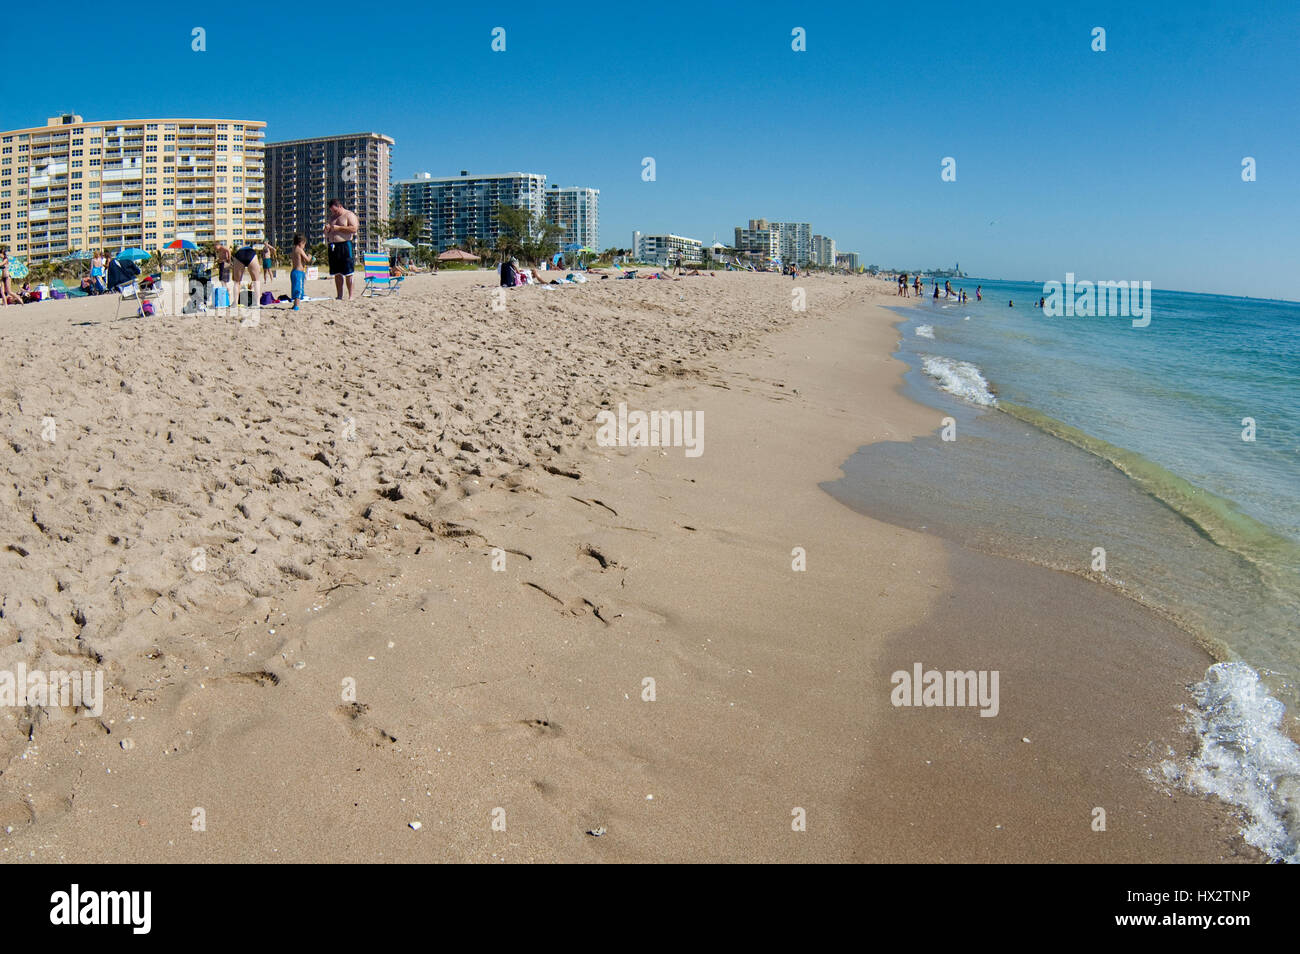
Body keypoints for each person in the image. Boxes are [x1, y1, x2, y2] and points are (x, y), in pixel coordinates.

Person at [324, 198, 359, 300]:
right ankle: (339, 295)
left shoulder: (349, 215)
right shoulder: (332, 217)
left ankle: (351, 295)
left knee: (348, 272)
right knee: (337, 273)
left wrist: (339, 228)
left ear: (340, 206)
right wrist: (326, 230)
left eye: (335, 210)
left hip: (344, 245)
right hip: (333, 246)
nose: (334, 212)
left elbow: (354, 228)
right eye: (332, 211)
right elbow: (327, 233)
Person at [231, 244, 263, 309]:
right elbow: (259, 271)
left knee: (237, 282)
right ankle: (257, 303)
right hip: (251, 253)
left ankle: (235, 303)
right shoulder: (252, 250)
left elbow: (233, 276)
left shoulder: (239, 251)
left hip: (239, 255)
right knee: (256, 281)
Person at [290, 234, 312, 311]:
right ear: (301, 243)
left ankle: (295, 304)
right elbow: (307, 259)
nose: (304, 246)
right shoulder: (299, 249)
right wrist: (310, 256)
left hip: (295, 272)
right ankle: (296, 305)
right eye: (304, 244)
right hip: (298, 272)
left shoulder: (293, 249)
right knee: (298, 289)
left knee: (297, 288)